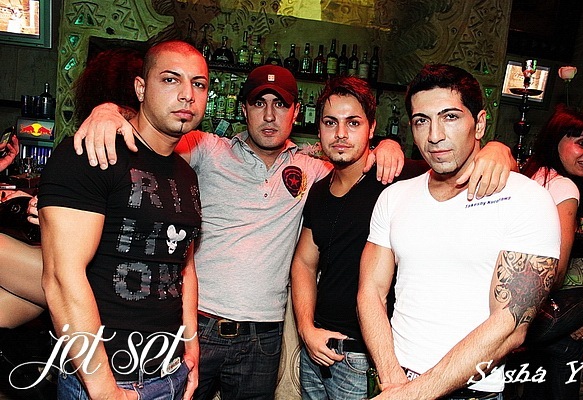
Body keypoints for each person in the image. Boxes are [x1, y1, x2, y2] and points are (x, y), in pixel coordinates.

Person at [73, 64, 514, 399]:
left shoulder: (318, 168)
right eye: (258, 103)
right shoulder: (207, 149)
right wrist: (109, 112)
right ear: (242, 109)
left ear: (296, 113)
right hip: (198, 325)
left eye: (281, 104)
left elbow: (446, 155)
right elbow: (155, 134)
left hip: (267, 339)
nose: (269, 115)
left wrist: (495, 148)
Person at [357, 64, 561, 399]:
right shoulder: (394, 197)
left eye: (450, 117)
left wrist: (414, 394)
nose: (434, 135)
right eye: (421, 121)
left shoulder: (527, 200)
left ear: (479, 123)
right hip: (394, 380)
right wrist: (391, 377)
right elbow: (370, 291)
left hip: (472, 391)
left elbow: (510, 327)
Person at [37, 40, 204, 400]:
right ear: (140, 88)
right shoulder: (92, 152)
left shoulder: (187, 174)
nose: (187, 94)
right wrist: (103, 389)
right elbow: (62, 277)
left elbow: (183, 267)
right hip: (109, 380)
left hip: (170, 373)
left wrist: (190, 348)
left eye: (199, 84)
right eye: (171, 79)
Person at [291, 76, 430, 399]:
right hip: (317, 351)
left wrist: (496, 152)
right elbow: (304, 263)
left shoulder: (397, 177)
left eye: (353, 122)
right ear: (318, 129)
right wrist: (306, 328)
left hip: (365, 358)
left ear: (371, 128)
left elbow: (464, 165)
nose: (340, 134)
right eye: (330, 122)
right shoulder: (319, 191)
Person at [0, 47, 144, 329]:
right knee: (9, 304)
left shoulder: (101, 141)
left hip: (101, 282)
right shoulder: (146, 145)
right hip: (117, 281)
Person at [518, 104, 583, 400]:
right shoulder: (564, 187)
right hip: (528, 312)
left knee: (563, 347)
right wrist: (564, 317)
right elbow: (557, 271)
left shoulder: (531, 176)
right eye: (582, 142)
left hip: (507, 305)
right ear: (556, 141)